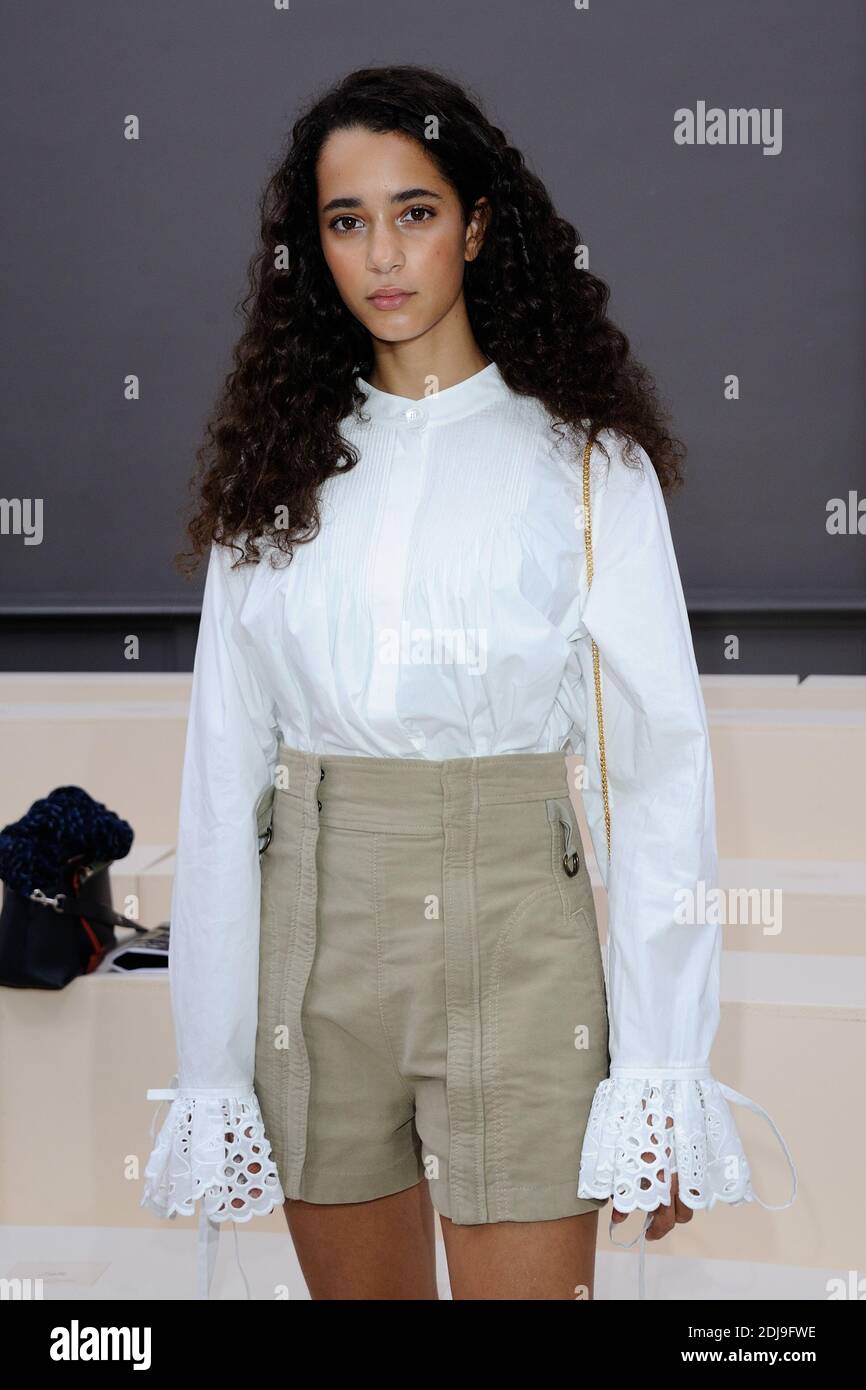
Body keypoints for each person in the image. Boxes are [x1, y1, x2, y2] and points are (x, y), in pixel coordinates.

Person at [140, 64, 797, 1301]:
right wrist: (213, 1062)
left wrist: (659, 1071)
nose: (382, 253)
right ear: (312, 250)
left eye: (416, 211)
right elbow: (221, 781)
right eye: (346, 222)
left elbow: (653, 773)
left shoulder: (584, 465)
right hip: (313, 941)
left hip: (517, 932)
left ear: (478, 224)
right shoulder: (271, 478)